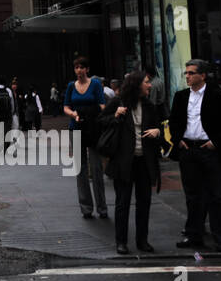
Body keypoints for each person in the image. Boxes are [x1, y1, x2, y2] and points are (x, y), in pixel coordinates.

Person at [170, 59, 221, 253]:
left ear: (202, 75)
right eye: (186, 73)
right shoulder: (181, 96)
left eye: (191, 73)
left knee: (216, 196)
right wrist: (178, 139)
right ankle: (194, 234)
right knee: (193, 196)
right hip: (188, 150)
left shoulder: (217, 96)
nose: (188, 76)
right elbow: (174, 120)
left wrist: (216, 142)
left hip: (210, 151)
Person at [99, 70, 163, 254]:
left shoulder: (150, 106)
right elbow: (101, 121)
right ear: (136, 85)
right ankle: (121, 241)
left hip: (145, 161)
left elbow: (158, 126)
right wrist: (115, 116)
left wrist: (157, 132)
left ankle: (142, 240)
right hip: (123, 162)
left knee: (144, 203)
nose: (150, 85)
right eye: (146, 82)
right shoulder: (119, 103)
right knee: (122, 203)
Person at [63, 57, 109, 219]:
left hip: (93, 128)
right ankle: (86, 208)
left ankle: (102, 207)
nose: (79, 70)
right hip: (75, 128)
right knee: (80, 169)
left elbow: (102, 104)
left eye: (82, 67)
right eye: (76, 67)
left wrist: (96, 114)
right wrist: (74, 114)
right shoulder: (70, 86)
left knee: (96, 167)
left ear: (87, 69)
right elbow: (66, 107)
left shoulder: (95, 84)